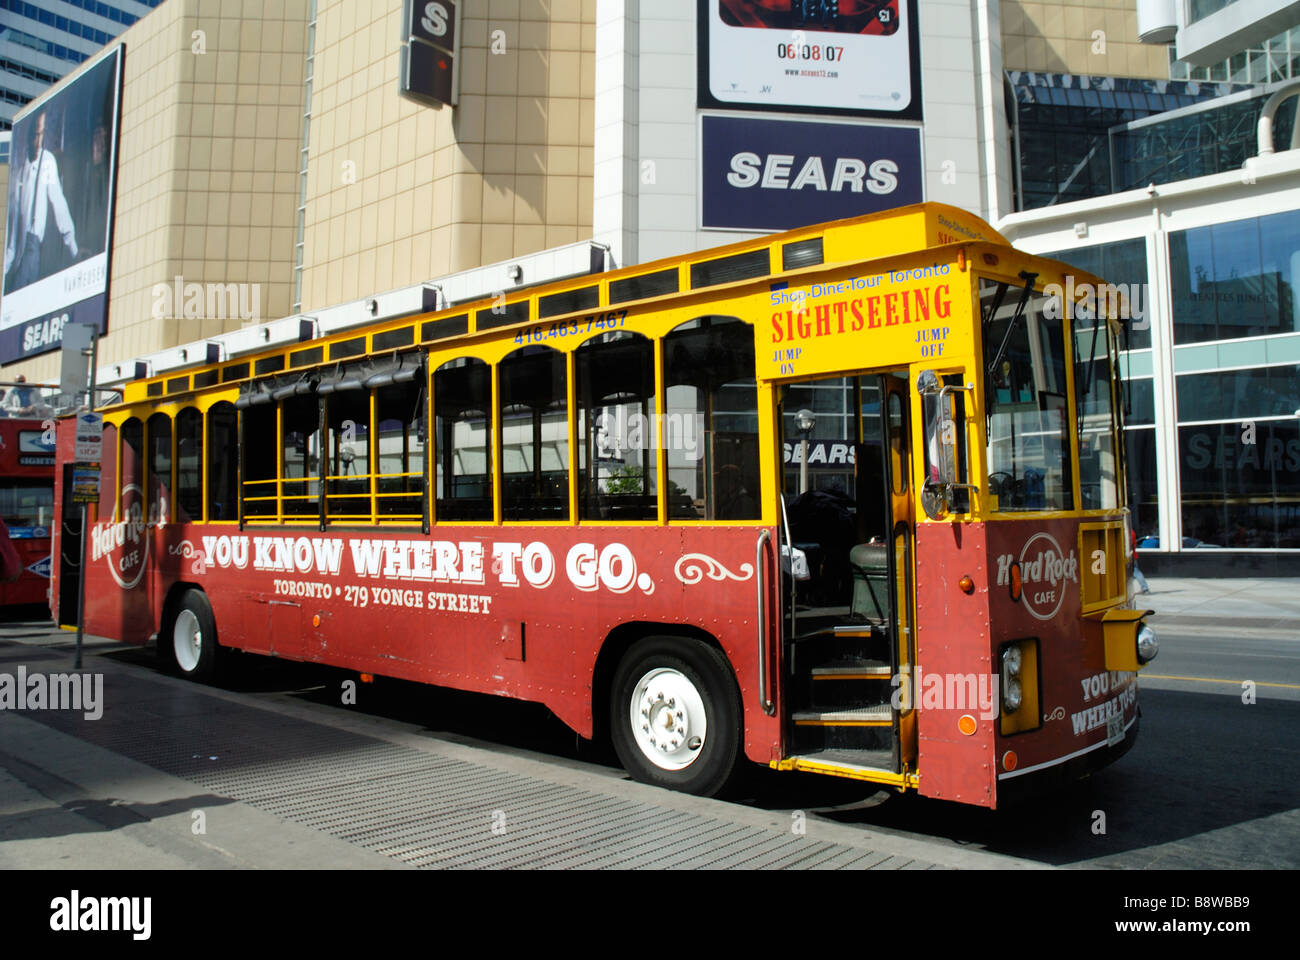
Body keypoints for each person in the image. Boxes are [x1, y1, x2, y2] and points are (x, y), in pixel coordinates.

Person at [4, 110, 79, 293]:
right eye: (35, 134)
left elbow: (58, 203)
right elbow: (12, 237)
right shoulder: (19, 173)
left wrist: (73, 249)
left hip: (35, 247)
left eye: (42, 134)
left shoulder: (47, 161)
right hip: (21, 254)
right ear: (29, 136)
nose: (38, 141)